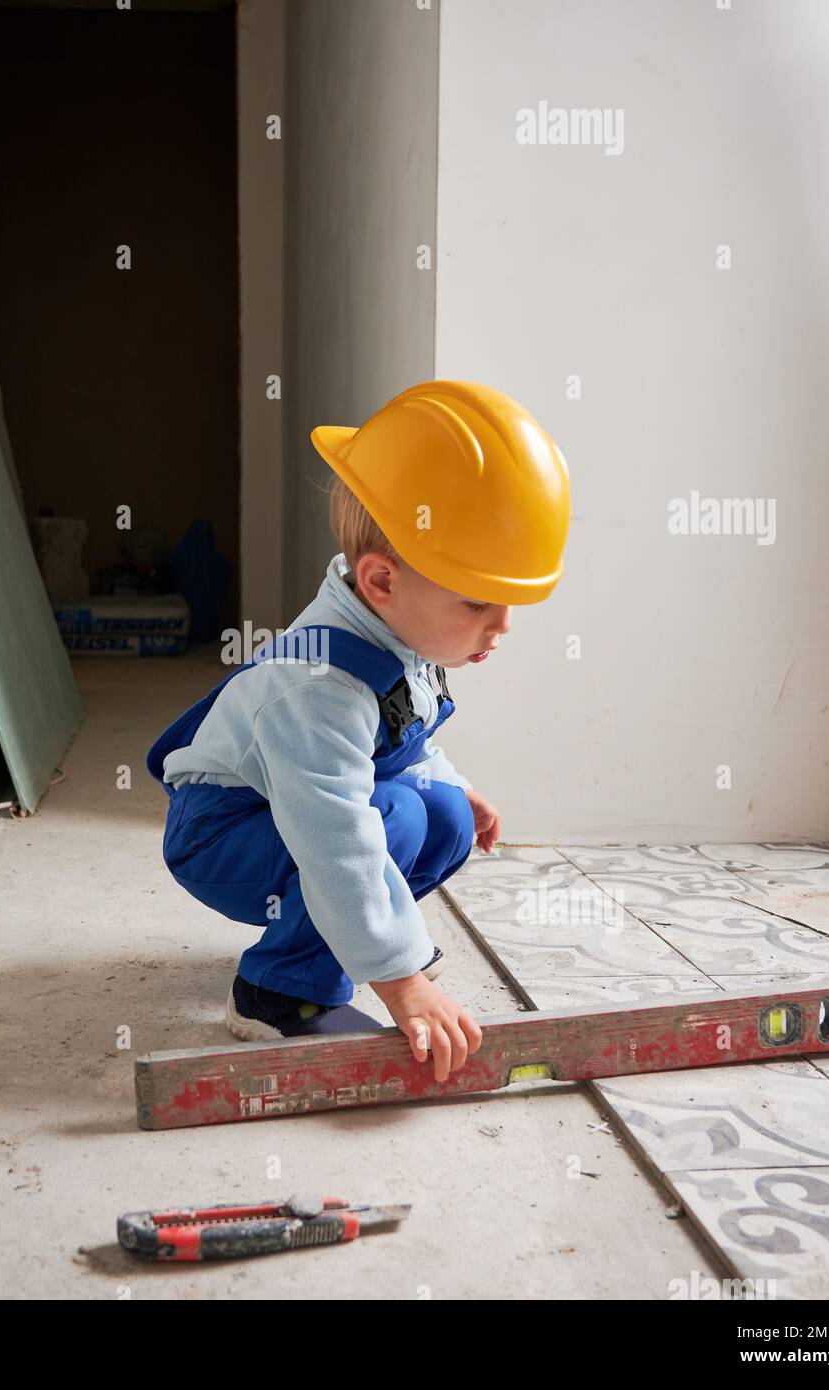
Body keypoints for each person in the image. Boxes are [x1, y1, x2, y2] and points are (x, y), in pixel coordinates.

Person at [146, 381, 571, 1082]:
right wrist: (401, 982)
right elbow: (339, 837)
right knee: (393, 819)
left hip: (284, 815)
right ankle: (278, 990)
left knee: (439, 814)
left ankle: (327, 940)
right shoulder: (318, 691)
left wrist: (454, 783)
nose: (502, 626)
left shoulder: (398, 630)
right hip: (221, 836)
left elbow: (406, 731)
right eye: (479, 602)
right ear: (380, 581)